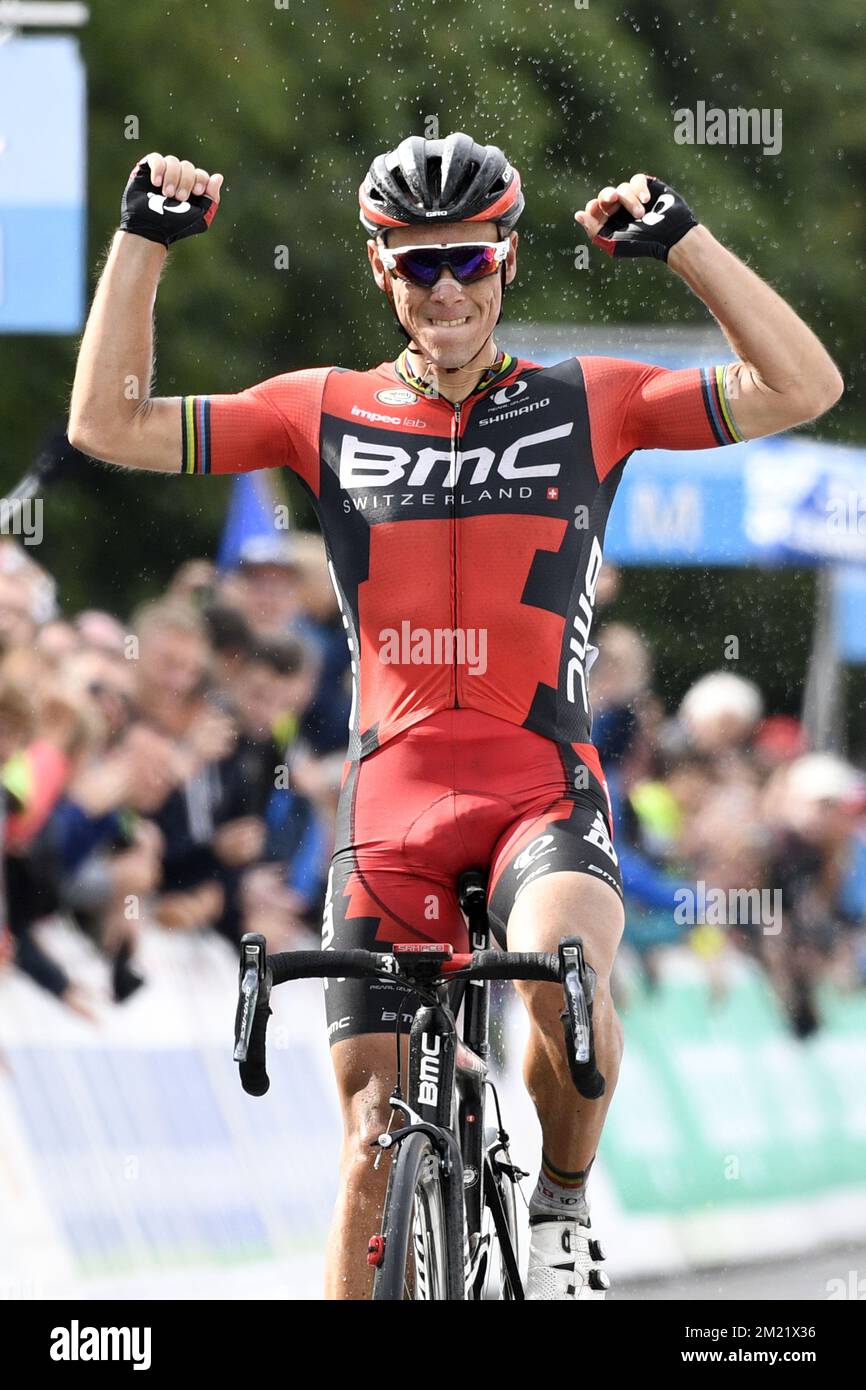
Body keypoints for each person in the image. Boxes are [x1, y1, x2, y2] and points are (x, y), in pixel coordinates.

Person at [68, 132, 843, 1300]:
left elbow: (806, 386)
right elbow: (108, 424)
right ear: (381, 270)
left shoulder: (592, 399)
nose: (445, 289)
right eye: (417, 263)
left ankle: (564, 1202)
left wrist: (684, 244)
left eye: (467, 262)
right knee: (371, 1137)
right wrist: (141, 245)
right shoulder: (317, 411)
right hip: (391, 802)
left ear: (507, 263)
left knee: (566, 984)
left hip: (540, 785)